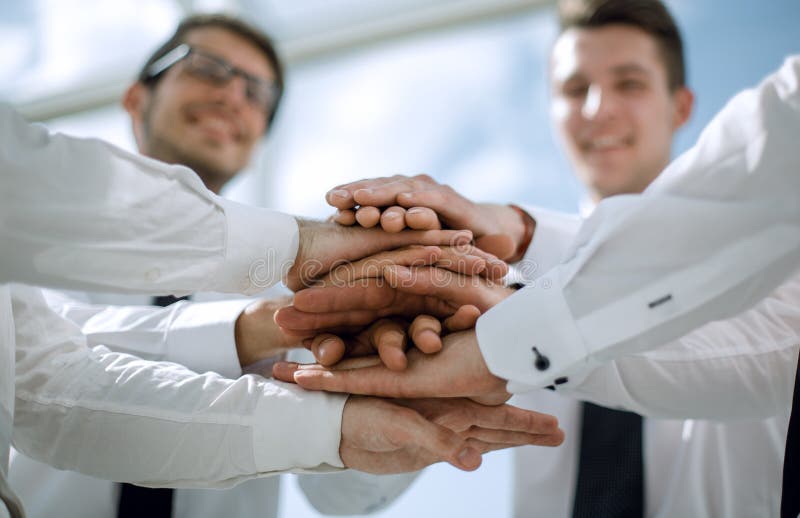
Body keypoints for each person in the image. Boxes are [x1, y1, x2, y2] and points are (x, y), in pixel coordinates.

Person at [0, 33, 566, 518]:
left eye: (257, 93)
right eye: (206, 68)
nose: (231, 95)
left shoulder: (318, 304)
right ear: (136, 96)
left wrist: (409, 387)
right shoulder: (27, 259)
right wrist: (291, 276)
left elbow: (340, 494)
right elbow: (53, 374)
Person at [272, 10, 800, 518]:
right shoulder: (476, 291)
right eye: (575, 90)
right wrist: (392, 384)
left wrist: (523, 240)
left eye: (630, 84)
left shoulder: (779, 265)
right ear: (551, 111)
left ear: (680, 107)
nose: (598, 109)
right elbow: (341, 501)